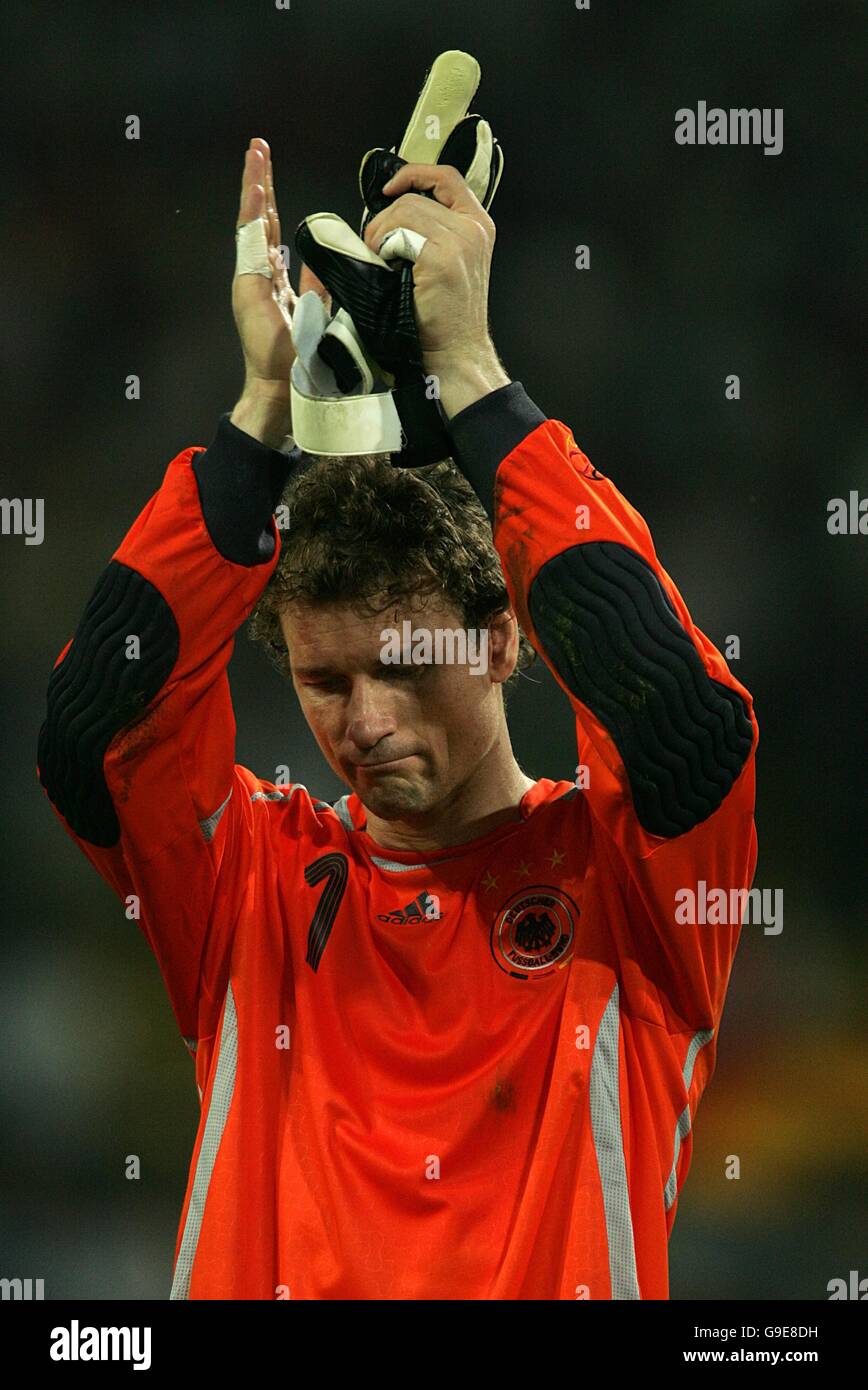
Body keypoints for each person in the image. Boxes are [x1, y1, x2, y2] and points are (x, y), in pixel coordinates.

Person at [37, 137, 758, 1300]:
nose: (361, 722)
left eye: (403, 664)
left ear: (505, 638)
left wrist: (473, 376)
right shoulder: (251, 883)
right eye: (326, 683)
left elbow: (674, 709)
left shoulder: (629, 886)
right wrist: (261, 426)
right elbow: (91, 732)